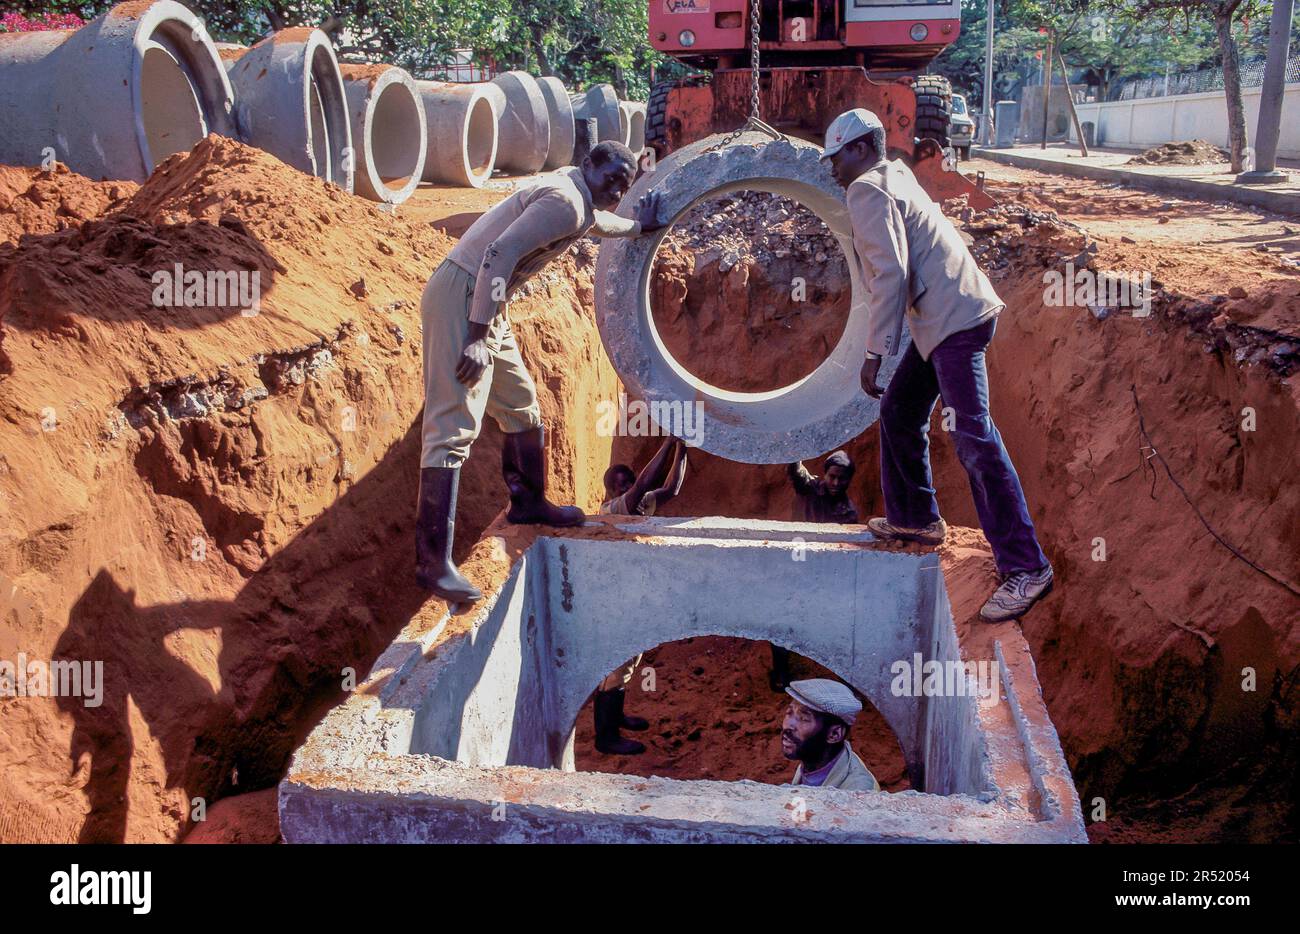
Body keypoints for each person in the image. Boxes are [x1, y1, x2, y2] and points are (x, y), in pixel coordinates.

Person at [820, 108, 1054, 623]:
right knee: (901, 412)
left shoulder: (866, 189)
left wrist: (875, 352)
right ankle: (916, 519)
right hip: (950, 316)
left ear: (859, 149)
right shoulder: (895, 172)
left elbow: (890, 274)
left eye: (836, 158)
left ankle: (1026, 566)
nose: (832, 171)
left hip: (953, 321)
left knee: (973, 438)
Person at [416, 142, 664, 603]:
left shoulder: (577, 200)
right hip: (466, 297)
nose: (615, 191)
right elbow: (498, 253)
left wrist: (638, 225)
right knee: (454, 424)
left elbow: (599, 223)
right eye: (610, 179)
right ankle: (432, 563)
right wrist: (475, 335)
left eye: (623, 186)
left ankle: (527, 503)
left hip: (490, 301)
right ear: (587, 164)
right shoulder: (566, 201)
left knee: (522, 406)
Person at [591, 437, 689, 755]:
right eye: (621, 487)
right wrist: (670, 440)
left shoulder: (640, 505)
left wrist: (682, 448)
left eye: (628, 485)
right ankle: (605, 738)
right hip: (615, 598)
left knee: (628, 662)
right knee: (616, 666)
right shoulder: (614, 509)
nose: (627, 491)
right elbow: (647, 481)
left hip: (631, 593)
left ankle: (616, 717)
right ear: (610, 492)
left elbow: (672, 489)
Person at [769, 450, 861, 692]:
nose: (836, 483)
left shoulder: (848, 512)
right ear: (825, 474)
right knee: (779, 617)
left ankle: (845, 681)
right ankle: (780, 671)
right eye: (832, 476)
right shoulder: (808, 487)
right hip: (795, 566)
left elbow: (844, 553)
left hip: (824, 575)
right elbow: (794, 467)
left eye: (842, 479)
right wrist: (799, 440)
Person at [781, 678, 880, 792]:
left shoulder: (858, 792)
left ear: (834, 734)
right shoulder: (814, 757)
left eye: (804, 719)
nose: (788, 726)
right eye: (789, 713)